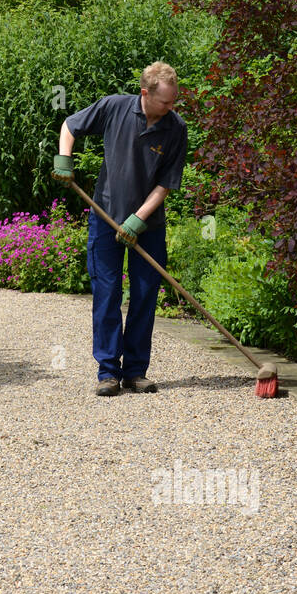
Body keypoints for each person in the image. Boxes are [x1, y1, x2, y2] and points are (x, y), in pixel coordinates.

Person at [51, 62, 188, 396]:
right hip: (105, 215)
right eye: (165, 102)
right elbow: (70, 125)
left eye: (174, 102)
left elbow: (166, 184)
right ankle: (108, 372)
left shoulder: (175, 128)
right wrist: (63, 159)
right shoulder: (114, 107)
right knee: (107, 293)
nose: (171, 108)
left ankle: (136, 371)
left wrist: (138, 219)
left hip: (149, 225)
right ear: (145, 93)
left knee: (144, 295)